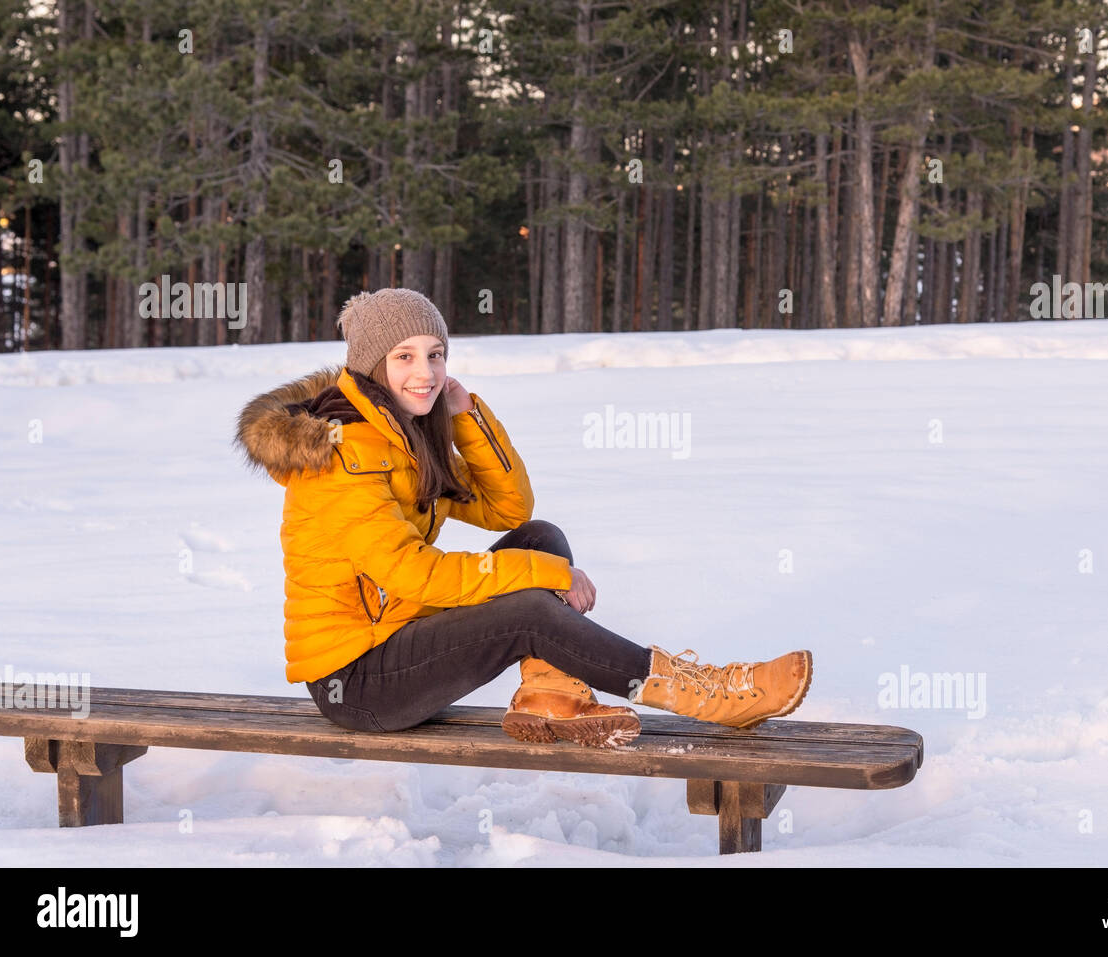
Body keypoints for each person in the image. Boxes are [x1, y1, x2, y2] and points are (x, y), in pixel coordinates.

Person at [233, 287, 812, 748]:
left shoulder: (399, 438)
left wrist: (465, 416)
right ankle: (708, 692)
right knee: (531, 607)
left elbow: (509, 509)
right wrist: (549, 576)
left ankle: (550, 698)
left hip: (397, 634)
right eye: (404, 357)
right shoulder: (345, 457)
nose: (426, 372)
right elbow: (414, 574)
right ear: (371, 367)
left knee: (541, 538)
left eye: (435, 355)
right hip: (355, 681)